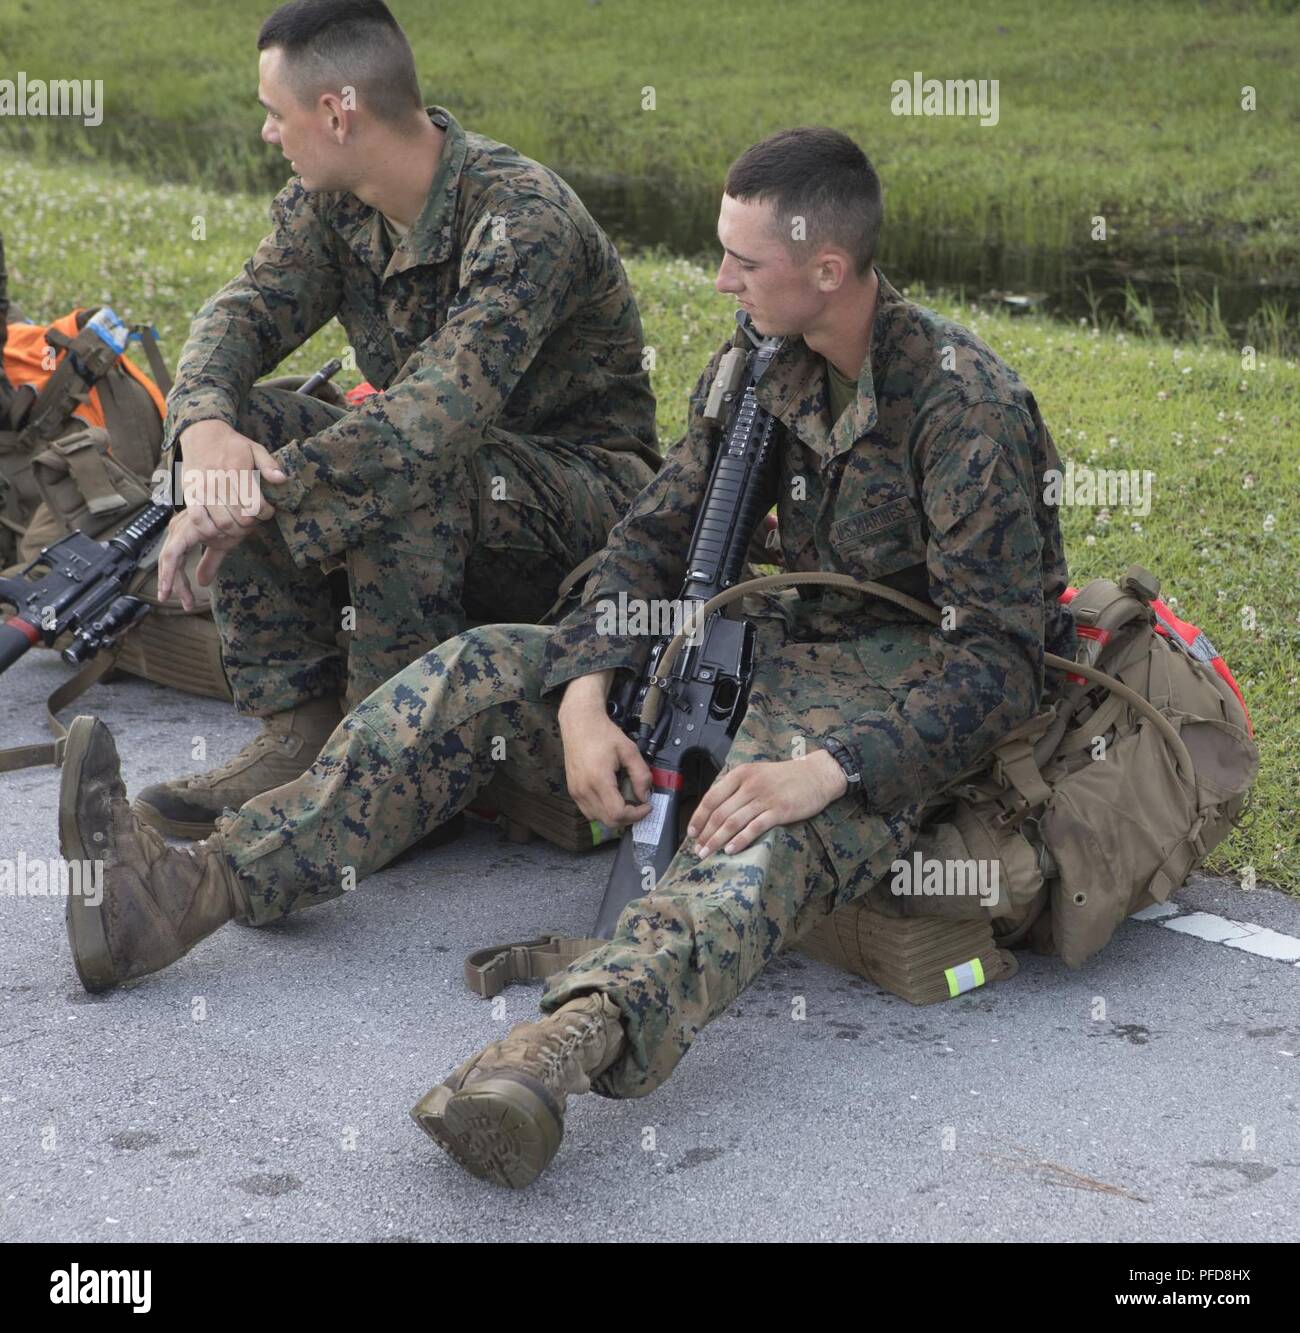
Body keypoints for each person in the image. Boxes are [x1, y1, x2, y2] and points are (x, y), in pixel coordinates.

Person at [60, 125, 1076, 1189]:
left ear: (827, 271)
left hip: (878, 718)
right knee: (477, 675)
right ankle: (184, 894)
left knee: (753, 835)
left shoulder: (963, 405)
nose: (719, 276)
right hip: (743, 651)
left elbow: (1001, 662)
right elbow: (644, 538)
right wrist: (586, 696)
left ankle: (551, 1058)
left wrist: (823, 771)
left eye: (743, 260)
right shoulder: (756, 368)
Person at [136, 0, 659, 838]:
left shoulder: (522, 222)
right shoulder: (333, 203)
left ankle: (391, 771)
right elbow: (240, 315)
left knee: (408, 470)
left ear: (337, 114)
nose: (270, 135)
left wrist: (257, 494)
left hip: (588, 507)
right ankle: (301, 734)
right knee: (255, 427)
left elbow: (429, 423)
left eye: (277, 115)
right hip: (450, 477)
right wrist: (205, 436)